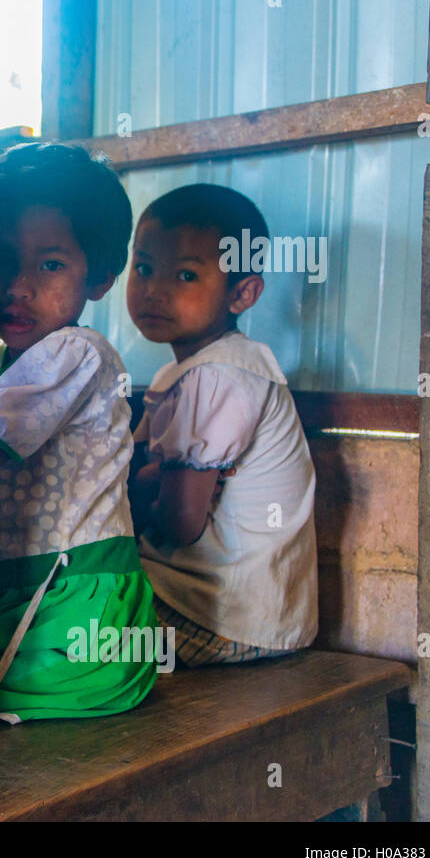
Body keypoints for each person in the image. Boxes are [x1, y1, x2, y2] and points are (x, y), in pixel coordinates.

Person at [0, 142, 158, 723]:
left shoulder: (78, 353)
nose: (16, 285)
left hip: (79, 620)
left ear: (102, 278)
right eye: (2, 260)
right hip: (9, 598)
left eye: (50, 264)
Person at [126, 183, 317, 666]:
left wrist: (156, 481)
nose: (154, 290)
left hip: (227, 619)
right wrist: (157, 479)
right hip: (212, 604)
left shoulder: (223, 374)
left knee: (57, 612)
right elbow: (130, 482)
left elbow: (179, 523)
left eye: (185, 275)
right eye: (144, 268)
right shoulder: (182, 373)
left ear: (243, 293)